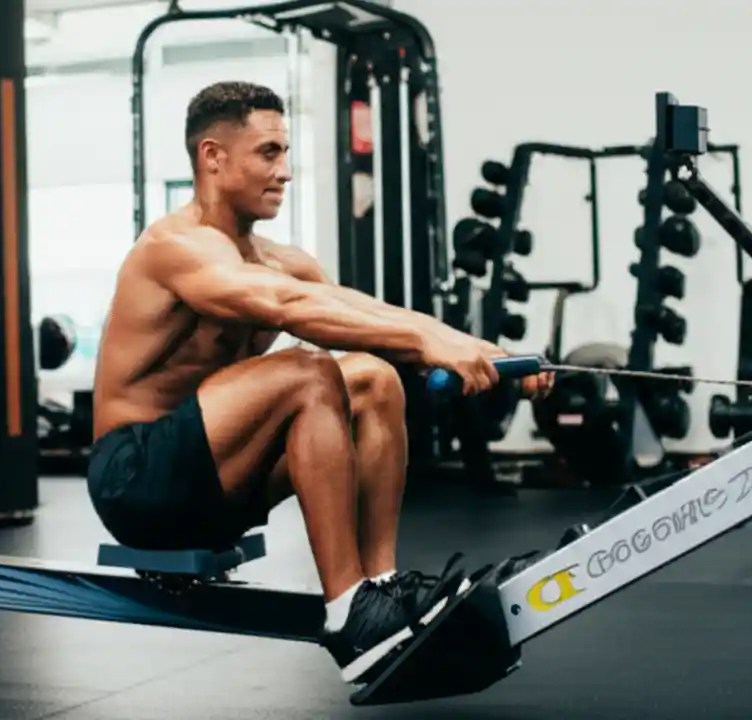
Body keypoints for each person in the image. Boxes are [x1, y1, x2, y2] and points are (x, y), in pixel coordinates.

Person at [88, 81, 554, 683]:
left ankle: (380, 590)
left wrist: (484, 352)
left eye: (285, 153)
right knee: (309, 372)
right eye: (268, 152)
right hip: (136, 482)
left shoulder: (283, 260)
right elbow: (285, 306)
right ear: (212, 156)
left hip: (217, 484)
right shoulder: (174, 247)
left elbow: (361, 313)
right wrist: (428, 343)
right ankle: (348, 613)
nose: (284, 171)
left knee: (372, 378)